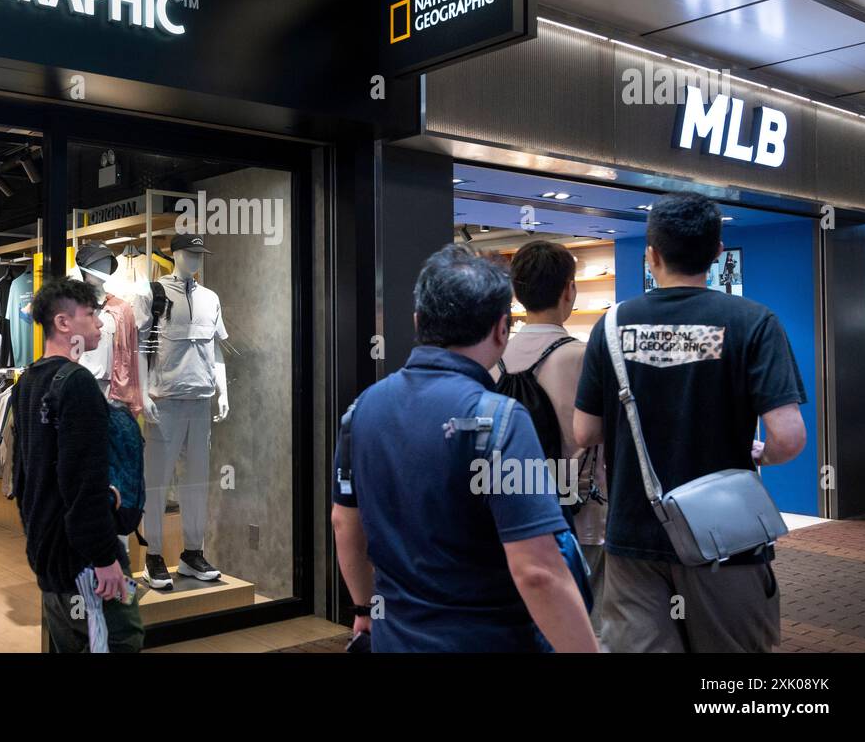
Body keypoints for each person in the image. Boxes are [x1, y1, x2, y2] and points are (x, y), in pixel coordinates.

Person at [332, 244, 597, 653]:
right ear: (502, 329)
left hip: (395, 639)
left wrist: (365, 608)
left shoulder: (362, 408)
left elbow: (344, 524)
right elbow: (537, 571)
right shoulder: (500, 421)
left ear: (419, 320)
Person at [573, 192, 807, 653]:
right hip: (726, 538)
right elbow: (788, 437)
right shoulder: (754, 322)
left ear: (651, 254)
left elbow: (585, 433)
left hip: (634, 536)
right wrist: (764, 452)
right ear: (718, 254)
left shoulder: (612, 325)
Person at [11, 277, 143, 653]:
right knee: (119, 638)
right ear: (64, 324)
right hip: (82, 558)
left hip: (49, 553)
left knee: (70, 640)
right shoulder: (78, 383)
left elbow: (24, 477)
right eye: (90, 315)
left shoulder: (29, 381)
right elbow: (83, 483)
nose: (100, 324)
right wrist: (104, 557)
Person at [497, 240, 607, 629]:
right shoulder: (585, 357)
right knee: (585, 620)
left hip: (512, 506)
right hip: (581, 512)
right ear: (569, 291)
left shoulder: (495, 357)